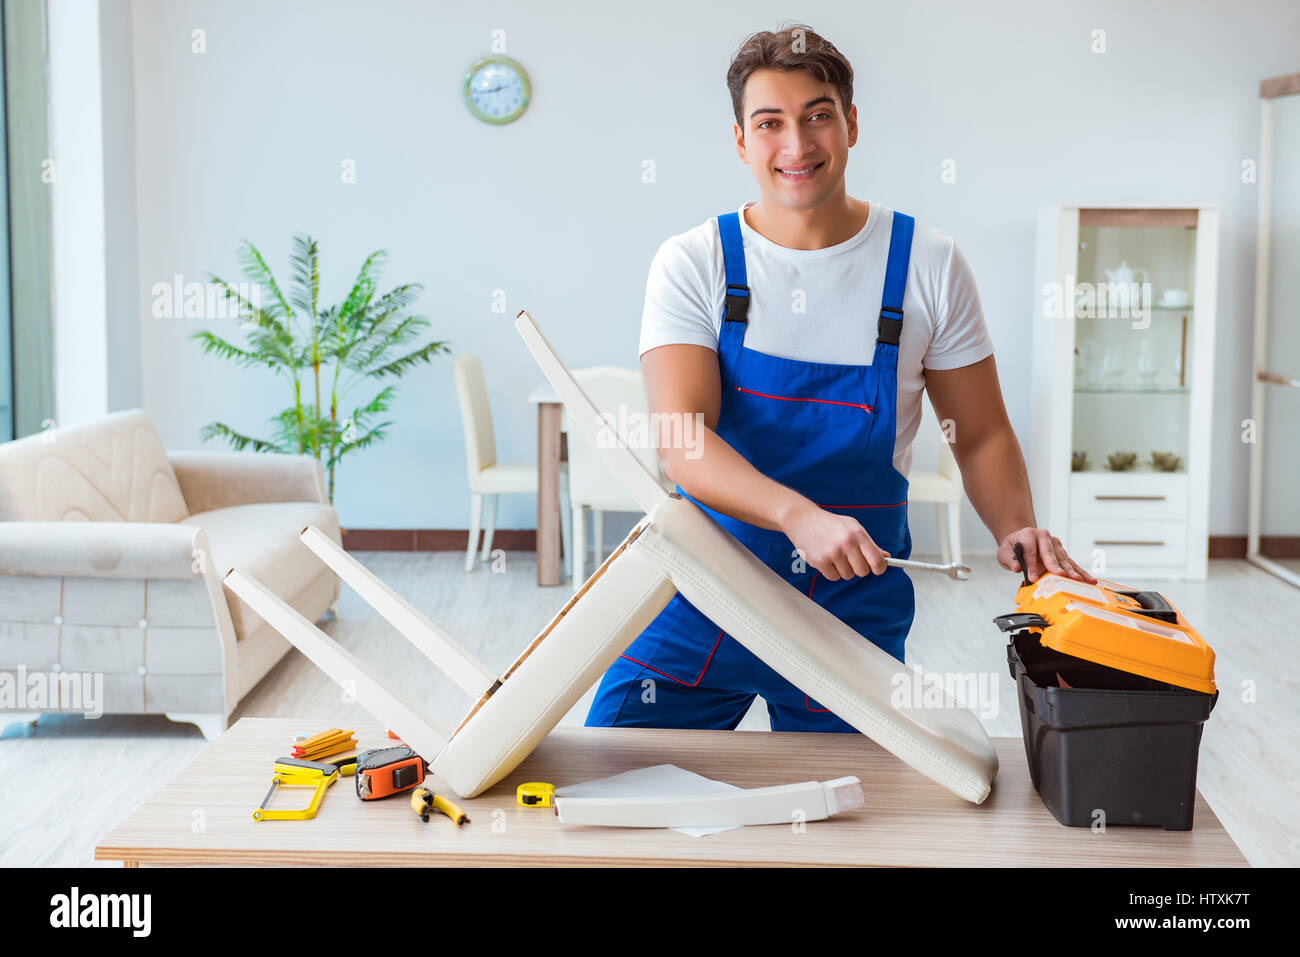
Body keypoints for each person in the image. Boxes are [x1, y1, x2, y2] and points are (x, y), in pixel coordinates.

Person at [585, 24, 1095, 732]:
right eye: (770, 124)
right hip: (701, 591)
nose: (796, 146)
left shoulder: (927, 264)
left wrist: (1017, 529)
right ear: (740, 140)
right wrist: (797, 514)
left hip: (851, 605)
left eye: (817, 116)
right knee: (617, 782)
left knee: (854, 821)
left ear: (850, 124)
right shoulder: (694, 262)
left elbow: (978, 434)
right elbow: (681, 438)